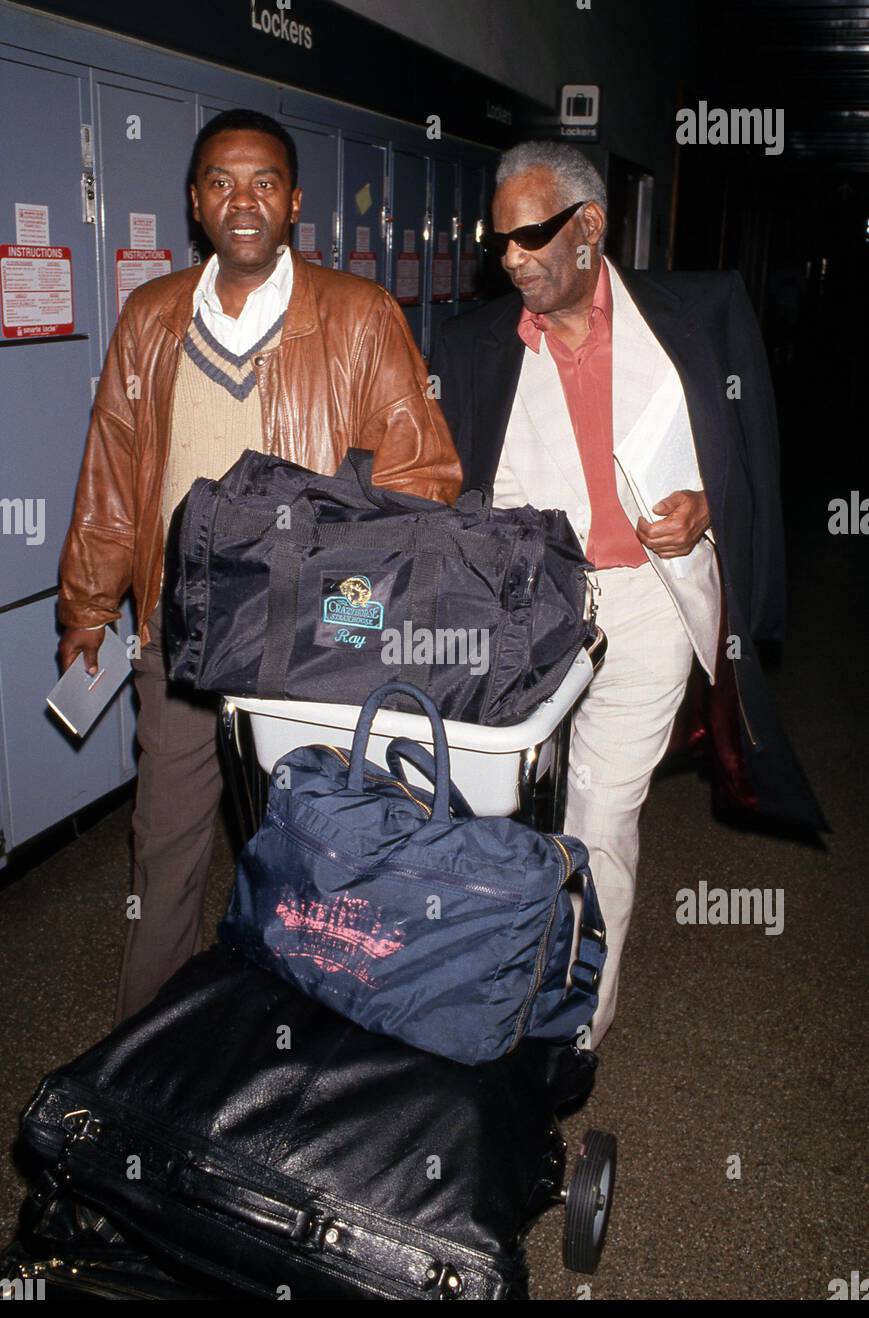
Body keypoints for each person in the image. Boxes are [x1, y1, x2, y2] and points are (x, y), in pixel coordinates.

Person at [57, 109, 461, 1023]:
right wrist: (87, 602)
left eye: (264, 183)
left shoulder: (358, 318)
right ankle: (144, 1049)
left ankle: (312, 1064)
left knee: (322, 851)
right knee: (164, 848)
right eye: (221, 183)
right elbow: (115, 470)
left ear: (295, 203)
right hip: (180, 630)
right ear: (196, 203)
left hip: (310, 641)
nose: (243, 202)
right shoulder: (152, 316)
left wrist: (349, 612)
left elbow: (421, 479)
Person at [431, 140, 825, 1047]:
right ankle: (485, 975)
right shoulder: (471, 345)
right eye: (501, 243)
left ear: (591, 226)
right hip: (525, 613)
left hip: (646, 602)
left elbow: (749, 457)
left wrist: (709, 510)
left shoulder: (700, 314)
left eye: (531, 236)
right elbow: (441, 484)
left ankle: (572, 1025)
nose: (513, 259)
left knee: (601, 812)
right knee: (499, 805)